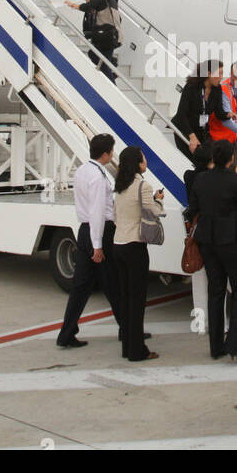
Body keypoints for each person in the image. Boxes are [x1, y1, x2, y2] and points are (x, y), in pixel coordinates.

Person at [56, 134, 124, 348]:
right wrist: (98, 245)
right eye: (112, 151)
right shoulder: (97, 177)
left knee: (80, 286)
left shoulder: (83, 171)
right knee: (113, 284)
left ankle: (66, 333)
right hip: (99, 232)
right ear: (105, 154)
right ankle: (128, 329)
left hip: (84, 231)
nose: (113, 154)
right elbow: (96, 212)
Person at [191, 140, 237, 361]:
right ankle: (235, 345)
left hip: (207, 240)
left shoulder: (200, 179)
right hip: (231, 239)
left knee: (215, 291)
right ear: (231, 159)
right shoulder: (236, 181)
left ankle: (216, 346)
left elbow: (193, 208)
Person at [112, 146, 163, 362]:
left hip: (118, 243)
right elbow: (154, 211)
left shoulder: (120, 185)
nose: (146, 161)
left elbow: (115, 216)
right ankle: (137, 350)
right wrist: (158, 199)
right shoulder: (143, 185)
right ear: (138, 163)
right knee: (137, 299)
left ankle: (127, 346)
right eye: (143, 158)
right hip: (134, 245)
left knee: (125, 297)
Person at [64, 0, 120, 80]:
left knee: (99, 59)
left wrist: (72, 5)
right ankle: (113, 67)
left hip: (105, 36)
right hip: (114, 36)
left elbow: (88, 6)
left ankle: (112, 82)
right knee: (100, 58)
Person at [172, 60, 224, 156]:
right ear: (209, 74)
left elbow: (219, 113)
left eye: (222, 73)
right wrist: (191, 136)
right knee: (197, 161)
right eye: (219, 73)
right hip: (186, 131)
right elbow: (181, 114)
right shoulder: (191, 87)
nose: (221, 77)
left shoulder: (217, 89)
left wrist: (229, 115)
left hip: (202, 132)